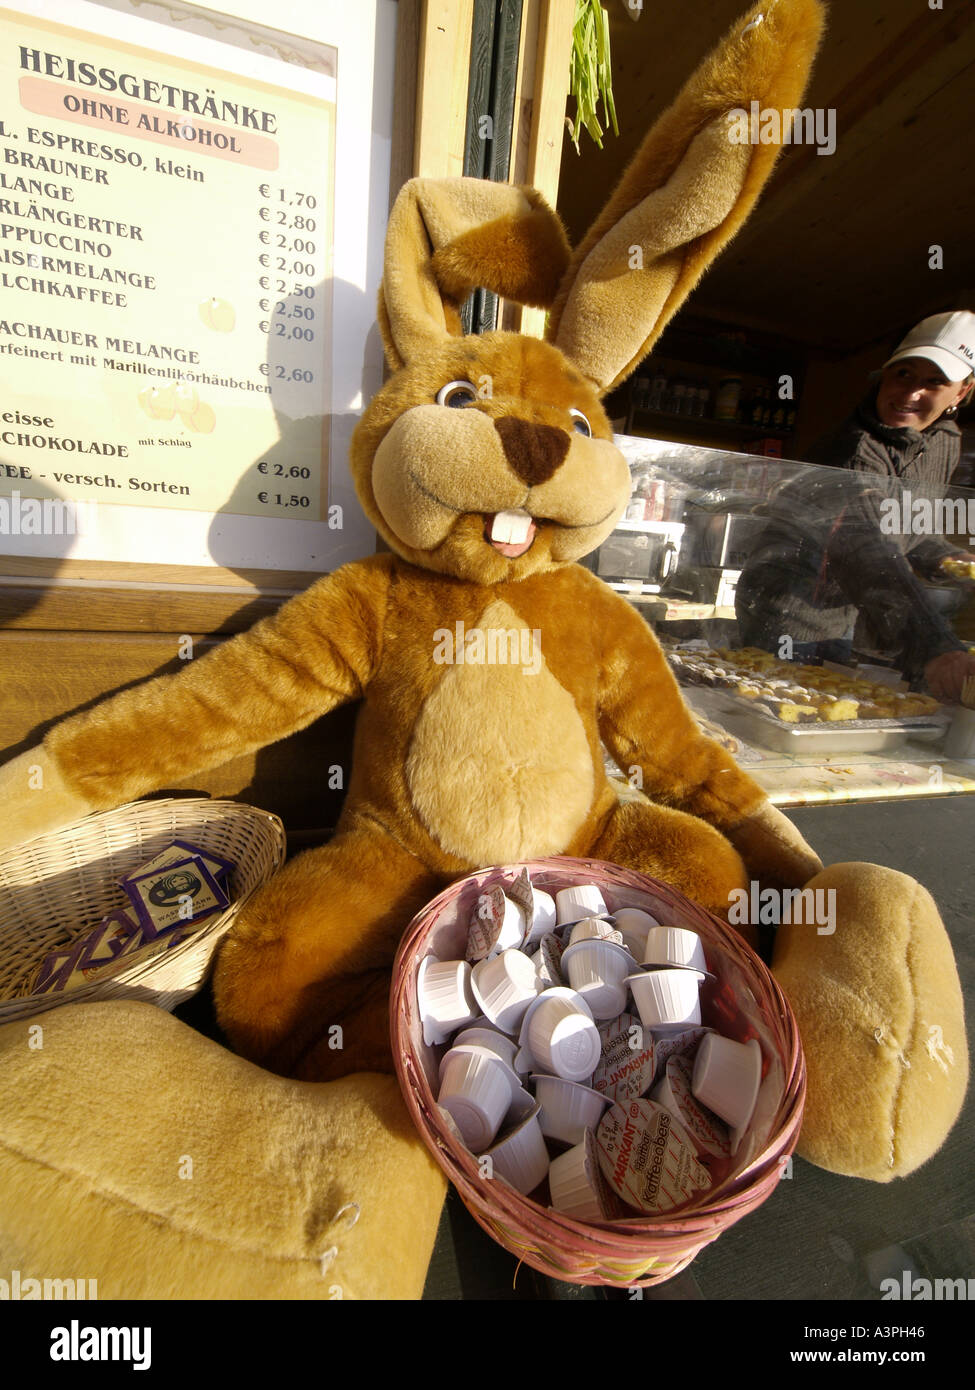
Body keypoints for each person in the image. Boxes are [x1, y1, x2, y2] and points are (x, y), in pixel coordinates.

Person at [735, 311, 975, 701]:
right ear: (885, 374)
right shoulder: (855, 452)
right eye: (904, 374)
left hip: (849, 608)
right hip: (788, 613)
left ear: (961, 392)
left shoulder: (945, 440)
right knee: (779, 712)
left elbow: (910, 525)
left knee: (829, 711)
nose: (910, 394)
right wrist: (934, 647)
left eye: (934, 382)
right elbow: (866, 548)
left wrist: (950, 558)